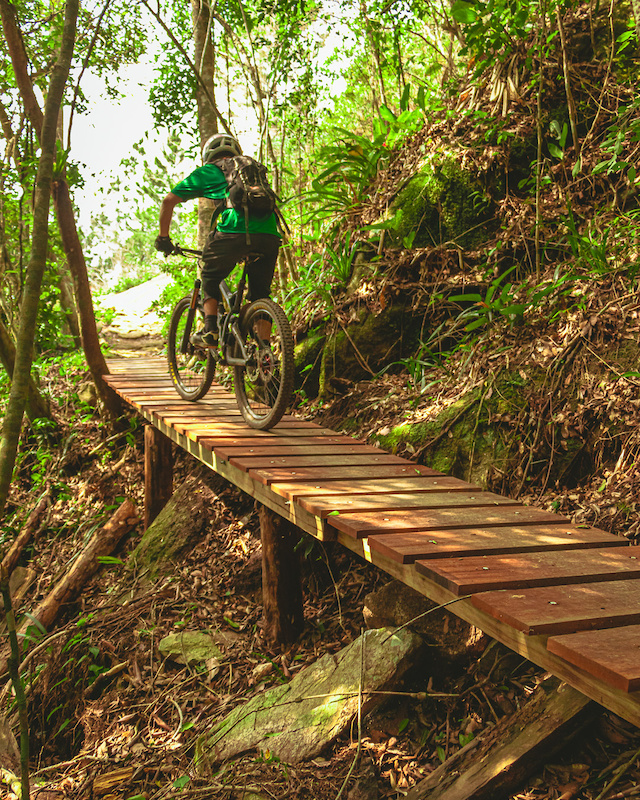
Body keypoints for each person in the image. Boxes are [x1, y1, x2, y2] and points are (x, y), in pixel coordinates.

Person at [155, 133, 281, 346]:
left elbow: (169, 201)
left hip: (234, 233)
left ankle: (210, 330)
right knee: (261, 294)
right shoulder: (251, 169)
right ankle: (265, 356)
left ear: (209, 155)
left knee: (209, 275)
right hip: (269, 234)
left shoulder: (210, 170)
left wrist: (163, 238)